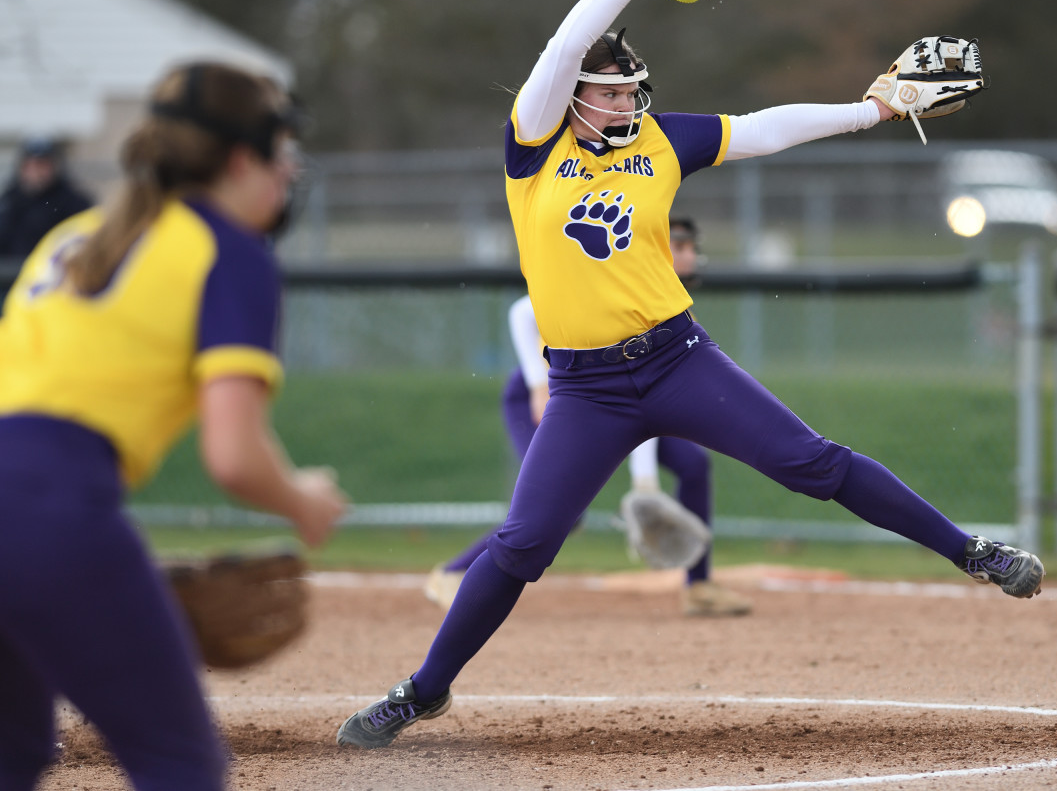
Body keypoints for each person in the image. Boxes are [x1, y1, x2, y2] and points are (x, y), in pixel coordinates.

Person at [337, 0, 1043, 749]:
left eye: (633, 91)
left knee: (813, 463)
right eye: (610, 93)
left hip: (677, 360)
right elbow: (567, 43)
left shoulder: (661, 143)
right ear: (571, 97)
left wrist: (871, 110)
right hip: (585, 390)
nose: (627, 102)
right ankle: (424, 691)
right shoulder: (533, 146)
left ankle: (973, 552)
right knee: (524, 544)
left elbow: (764, 132)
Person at [0, 61, 348, 791]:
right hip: (47, 510)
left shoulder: (74, 234)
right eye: (280, 152)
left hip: (30, 500)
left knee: (14, 750)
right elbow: (233, 453)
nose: (288, 174)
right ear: (239, 158)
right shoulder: (227, 249)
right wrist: (302, 501)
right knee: (176, 764)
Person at [424, 217, 751, 617]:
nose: (686, 254)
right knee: (560, 509)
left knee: (693, 464)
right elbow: (522, 312)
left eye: (688, 246)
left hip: (612, 395)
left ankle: (698, 586)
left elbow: (644, 405)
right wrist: (536, 384)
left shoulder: (675, 311)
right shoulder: (616, 280)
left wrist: (644, 484)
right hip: (557, 392)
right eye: (676, 245)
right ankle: (454, 572)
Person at [0, 137, 94, 261]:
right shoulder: (8, 203)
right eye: (30, 165)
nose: (35, 172)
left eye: (42, 165)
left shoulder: (74, 203)